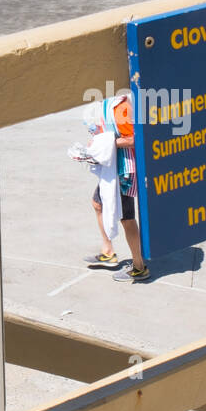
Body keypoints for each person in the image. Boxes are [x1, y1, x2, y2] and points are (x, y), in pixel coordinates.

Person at [78, 96, 148, 282]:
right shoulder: (105, 109)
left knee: (126, 218)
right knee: (98, 204)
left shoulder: (120, 110)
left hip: (123, 170)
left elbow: (135, 138)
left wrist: (107, 144)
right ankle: (108, 251)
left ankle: (139, 266)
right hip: (111, 170)